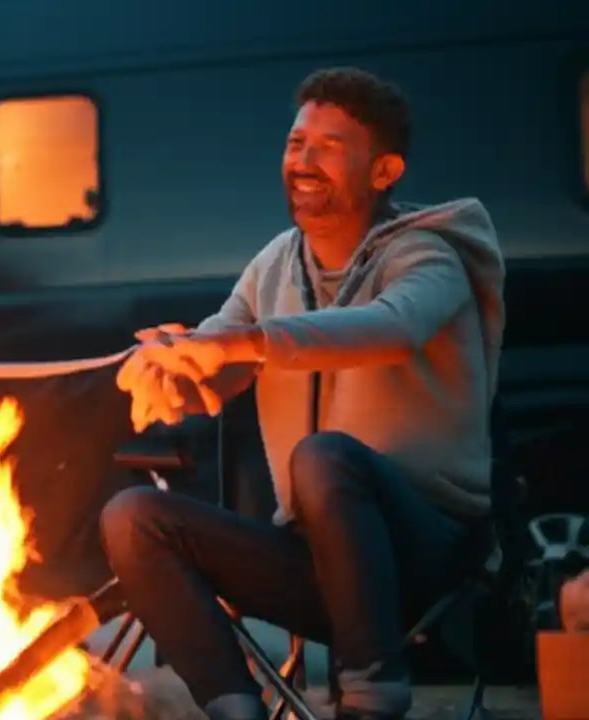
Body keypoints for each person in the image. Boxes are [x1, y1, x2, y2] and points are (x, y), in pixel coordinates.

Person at [102, 67, 505, 720]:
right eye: (296, 143)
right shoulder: (275, 264)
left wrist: (238, 346)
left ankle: (371, 699)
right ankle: (238, 710)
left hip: (423, 549)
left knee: (323, 456)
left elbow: (391, 328)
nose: (303, 160)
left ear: (384, 171)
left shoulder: (431, 257)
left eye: (329, 145)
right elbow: (224, 355)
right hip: (315, 556)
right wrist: (178, 367)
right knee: (132, 516)